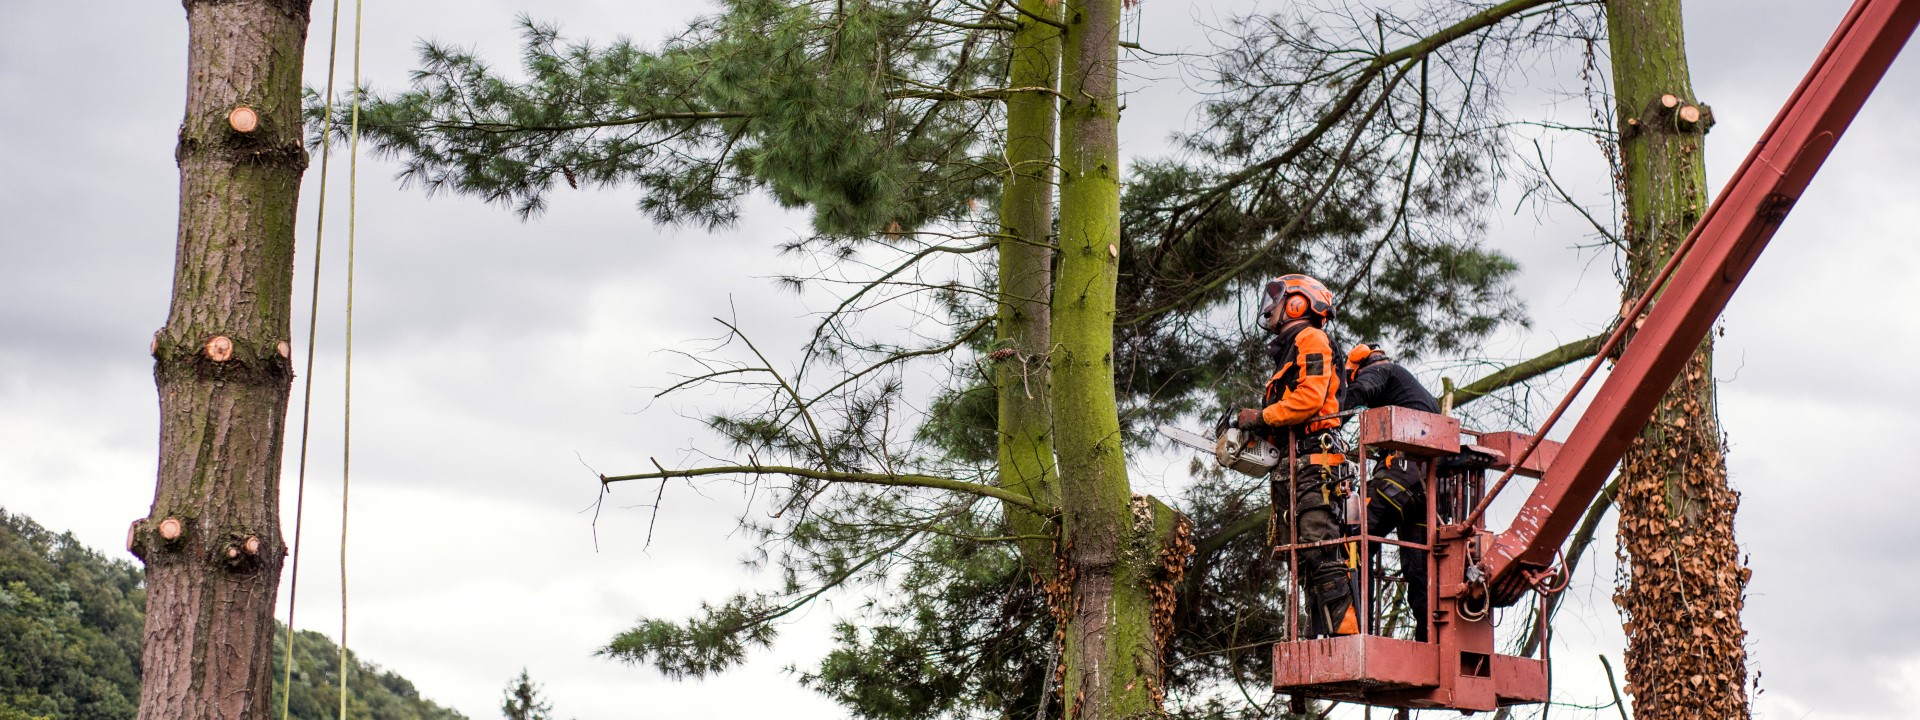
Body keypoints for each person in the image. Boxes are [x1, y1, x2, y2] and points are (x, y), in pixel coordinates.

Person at [1231, 273, 1355, 638]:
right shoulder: (1289, 349)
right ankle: (1321, 639)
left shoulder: (1312, 339)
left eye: (1278, 297)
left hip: (1316, 463)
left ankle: (1345, 638)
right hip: (1293, 466)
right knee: (1301, 559)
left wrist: (1262, 415)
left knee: (1321, 551)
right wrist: (1258, 428)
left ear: (1300, 302)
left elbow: (1309, 399)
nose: (1270, 306)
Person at [1340, 342, 1440, 641]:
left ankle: (1355, 633)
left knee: (1354, 536)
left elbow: (1359, 392)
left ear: (1357, 367)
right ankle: (1429, 639)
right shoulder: (1412, 392)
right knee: (1419, 565)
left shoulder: (1381, 371)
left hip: (1402, 472)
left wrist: (1328, 425)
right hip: (1427, 487)